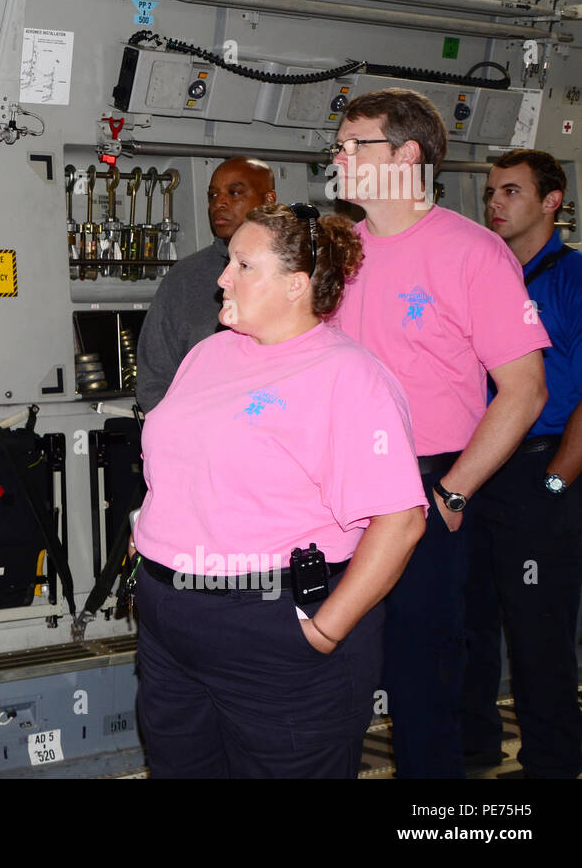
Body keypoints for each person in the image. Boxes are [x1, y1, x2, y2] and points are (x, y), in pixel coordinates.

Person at [132, 204, 428, 777]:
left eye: (243, 265)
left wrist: (323, 632)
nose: (222, 277)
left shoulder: (349, 375)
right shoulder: (208, 354)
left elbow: (402, 520)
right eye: (228, 261)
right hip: (172, 624)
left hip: (271, 627)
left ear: (296, 285)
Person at [329, 88, 549, 779]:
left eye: (351, 144)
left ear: (406, 154)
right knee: (335, 677)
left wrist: (452, 493)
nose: (337, 157)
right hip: (340, 489)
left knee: (424, 681)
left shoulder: (472, 253)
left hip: (428, 483)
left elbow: (524, 391)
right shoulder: (339, 255)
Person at [464, 149, 582, 778]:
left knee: (538, 635)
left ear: (551, 201)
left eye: (511, 192)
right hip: (478, 467)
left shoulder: (573, 280)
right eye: (490, 193)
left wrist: (559, 479)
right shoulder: (485, 276)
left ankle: (553, 764)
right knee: (470, 617)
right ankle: (475, 747)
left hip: (542, 467)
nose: (495, 204)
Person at [135, 156, 276, 411]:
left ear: (268, 200)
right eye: (213, 195)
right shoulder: (185, 277)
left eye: (234, 193)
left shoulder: (296, 273)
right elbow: (153, 378)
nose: (219, 204)